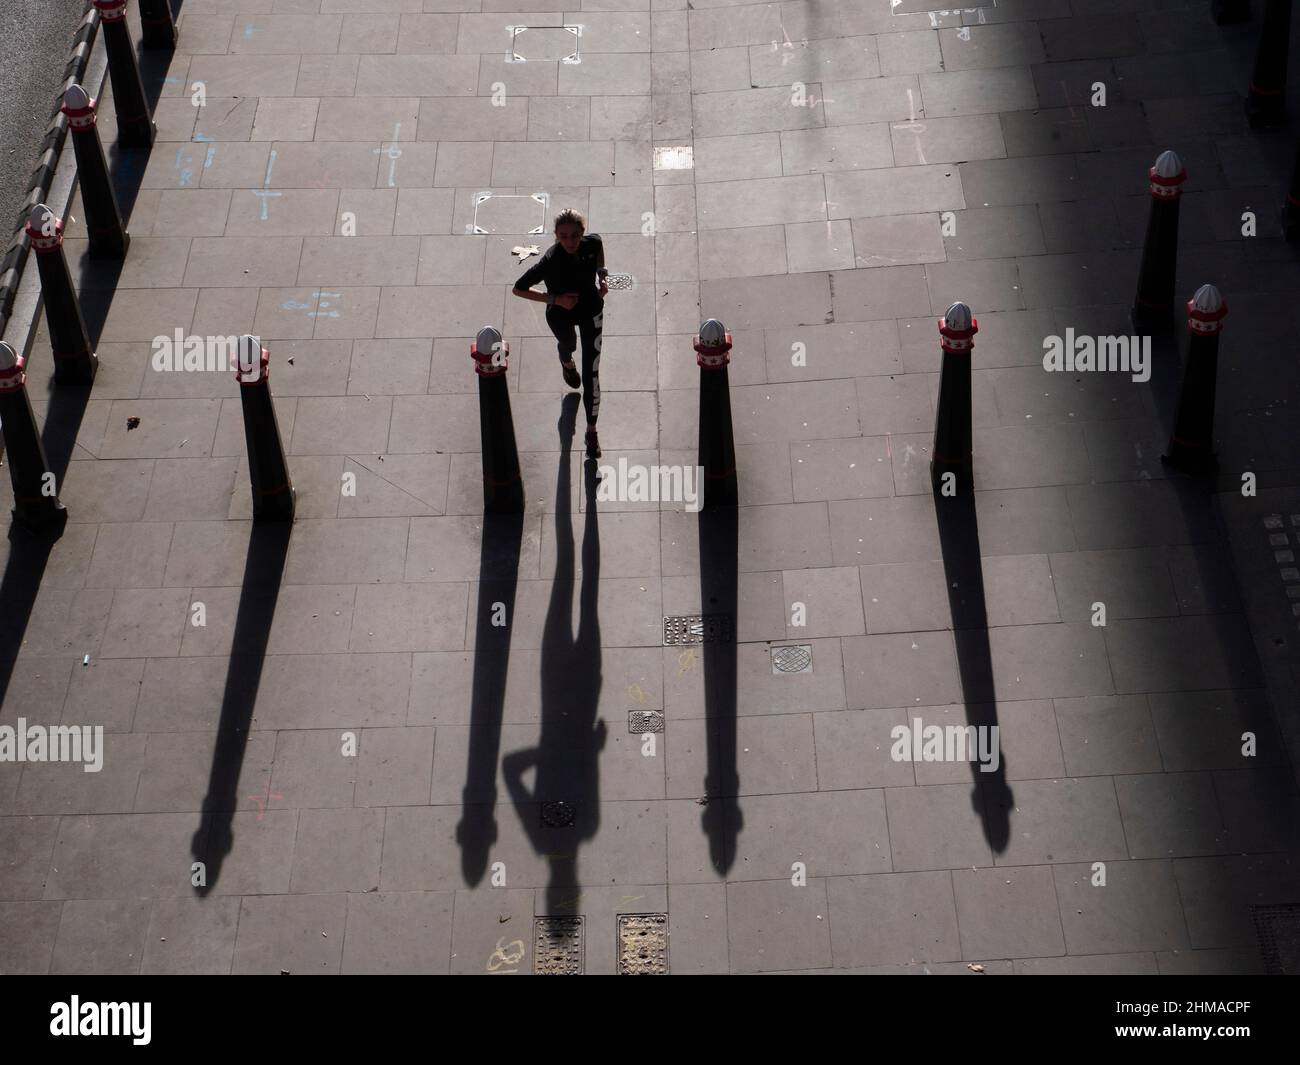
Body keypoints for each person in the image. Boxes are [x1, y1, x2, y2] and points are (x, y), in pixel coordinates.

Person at [511, 209, 609, 457]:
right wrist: (555, 299)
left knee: (592, 373)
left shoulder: (591, 243)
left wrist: (602, 278)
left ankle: (591, 430)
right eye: (564, 236)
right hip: (560, 314)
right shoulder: (551, 260)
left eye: (575, 235)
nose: (570, 242)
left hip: (590, 310)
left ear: (582, 233)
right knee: (568, 344)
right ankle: (565, 360)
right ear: (556, 236)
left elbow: (599, 251)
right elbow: (519, 288)